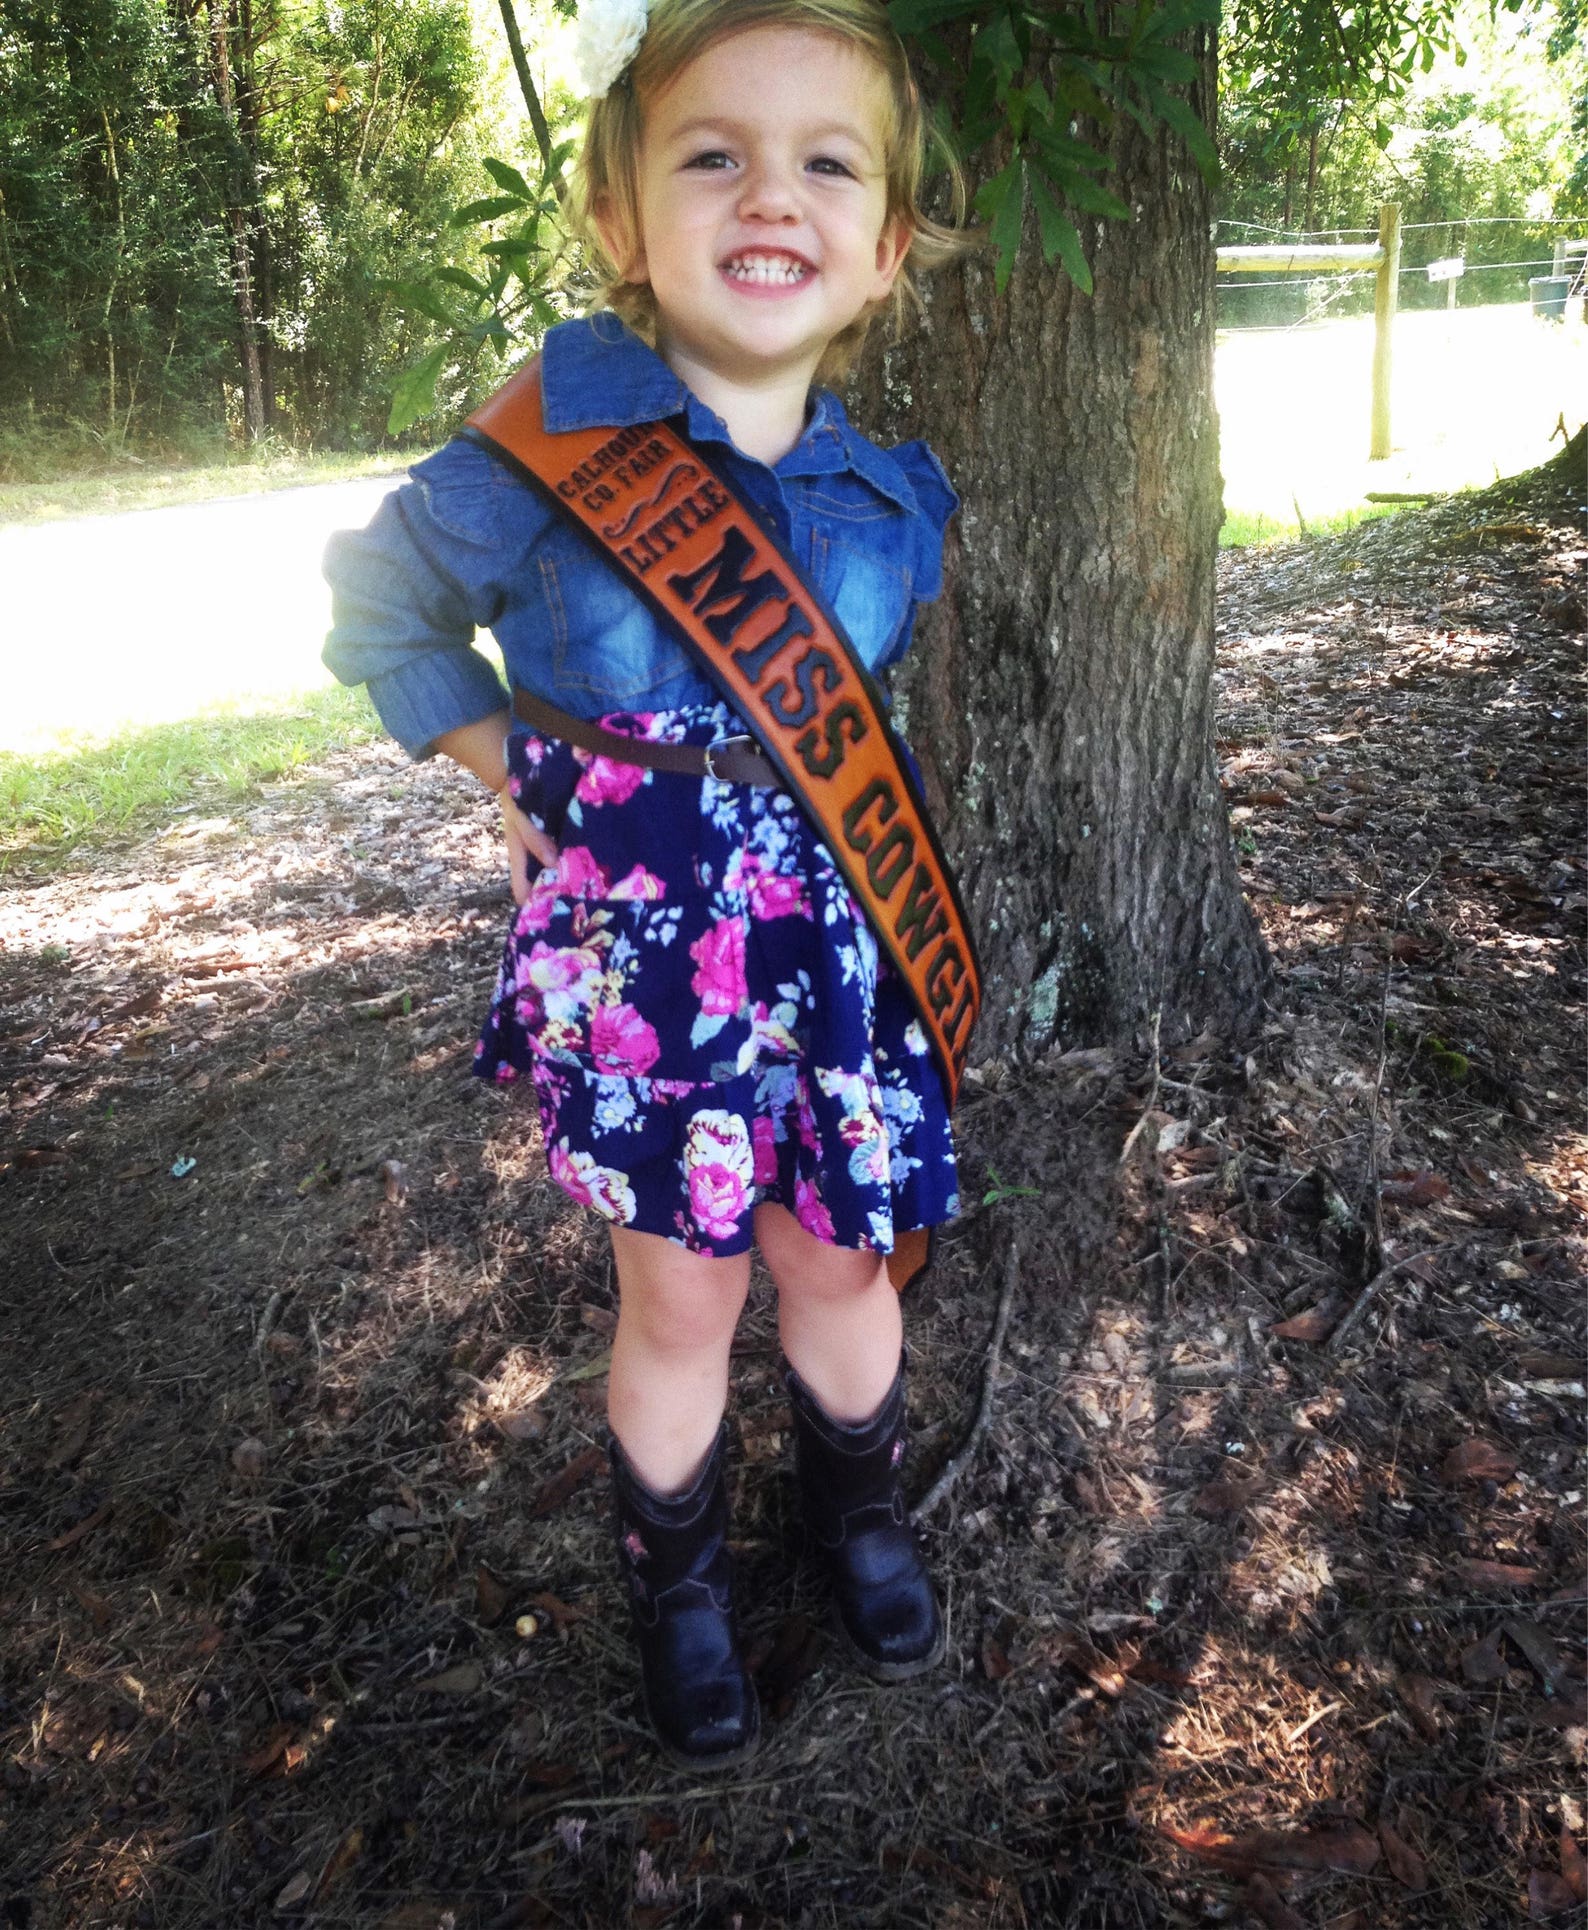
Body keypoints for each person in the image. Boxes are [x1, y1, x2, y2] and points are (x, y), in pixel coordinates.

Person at [323, 0, 971, 1773]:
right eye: (713, 155)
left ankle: (859, 1519)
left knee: (843, 1268)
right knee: (680, 1294)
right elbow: (375, 612)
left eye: (826, 163)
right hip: (643, 973)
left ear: (885, 248)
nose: (772, 195)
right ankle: (676, 1588)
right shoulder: (539, 454)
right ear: (622, 217)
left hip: (832, 965)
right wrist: (500, 771)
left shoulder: (900, 501)